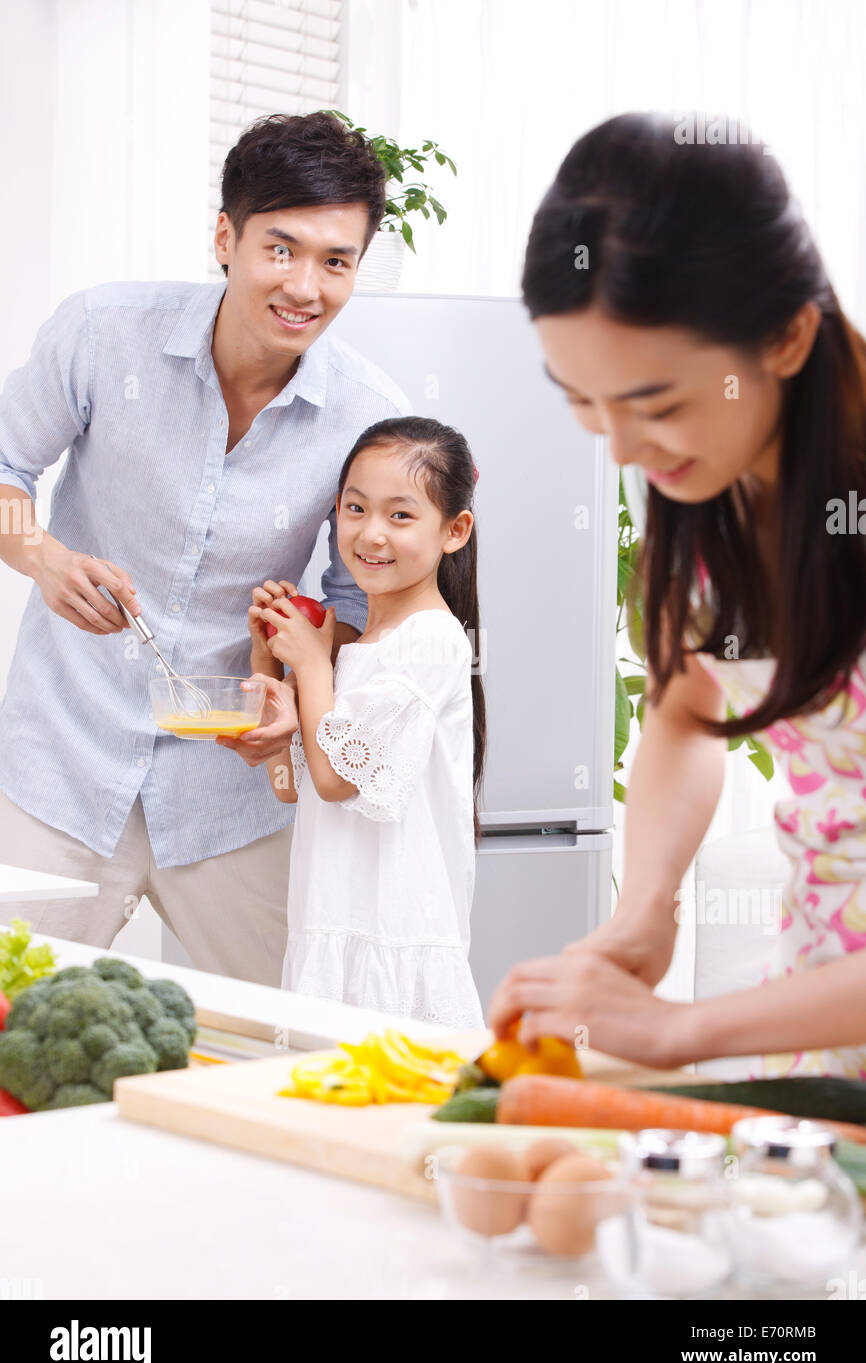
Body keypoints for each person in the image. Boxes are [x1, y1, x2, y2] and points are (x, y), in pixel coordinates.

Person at [489, 111, 866, 1079]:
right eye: (582, 400)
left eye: (653, 404)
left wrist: (676, 1029)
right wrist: (642, 905)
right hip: (822, 1038)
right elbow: (689, 700)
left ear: (784, 338)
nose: (617, 451)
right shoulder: (718, 487)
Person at [0, 111, 409, 985]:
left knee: (284, 1043)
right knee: (11, 1032)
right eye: (281, 248)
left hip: (230, 796)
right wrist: (40, 555)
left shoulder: (369, 416)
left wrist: (297, 694)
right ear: (226, 238)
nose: (305, 286)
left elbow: (356, 602)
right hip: (61, 767)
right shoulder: (105, 334)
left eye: (336, 262)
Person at [246, 417, 486, 1028]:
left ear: (454, 531)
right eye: (355, 508)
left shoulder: (431, 640)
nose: (371, 533)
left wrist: (310, 665)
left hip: (394, 932)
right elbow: (293, 788)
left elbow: (339, 782)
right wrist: (270, 662)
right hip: (332, 921)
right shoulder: (356, 650)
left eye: (401, 516)